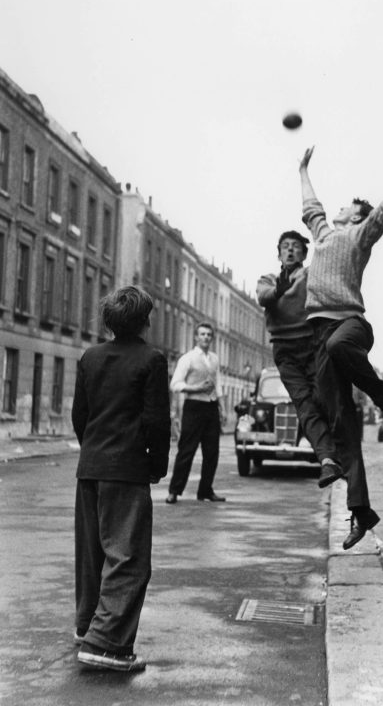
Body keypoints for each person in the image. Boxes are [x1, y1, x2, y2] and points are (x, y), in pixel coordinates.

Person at [299, 141, 383, 550]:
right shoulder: (322, 235)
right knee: (341, 428)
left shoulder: (359, 235)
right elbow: (311, 207)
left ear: (356, 217)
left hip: (351, 327)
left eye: (346, 207)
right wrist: (302, 170)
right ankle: (360, 514)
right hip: (320, 335)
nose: (338, 210)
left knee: (342, 345)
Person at [72, 286, 171, 672]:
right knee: (128, 558)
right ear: (144, 320)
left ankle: (86, 626)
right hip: (126, 470)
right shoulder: (152, 359)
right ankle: (107, 643)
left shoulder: (90, 357)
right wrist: (156, 465)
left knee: (92, 553)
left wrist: (94, 450)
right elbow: (155, 421)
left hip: (90, 467)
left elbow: (81, 417)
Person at [256, 230, 343, 488]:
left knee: (321, 397)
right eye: (285, 246)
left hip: (311, 343)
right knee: (304, 404)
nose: (290, 250)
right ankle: (327, 459)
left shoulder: (309, 275)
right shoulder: (268, 279)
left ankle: (332, 452)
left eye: (295, 246)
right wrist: (278, 292)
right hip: (284, 349)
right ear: (279, 253)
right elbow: (264, 297)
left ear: (304, 254)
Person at [166, 322, 226, 503]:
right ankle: (174, 491)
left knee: (212, 452)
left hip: (211, 408)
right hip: (193, 407)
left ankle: (205, 490)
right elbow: (175, 384)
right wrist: (195, 387)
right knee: (186, 450)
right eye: (202, 334)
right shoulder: (188, 358)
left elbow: (219, 384)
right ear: (196, 337)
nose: (206, 337)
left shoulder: (214, 359)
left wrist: (221, 408)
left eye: (209, 334)